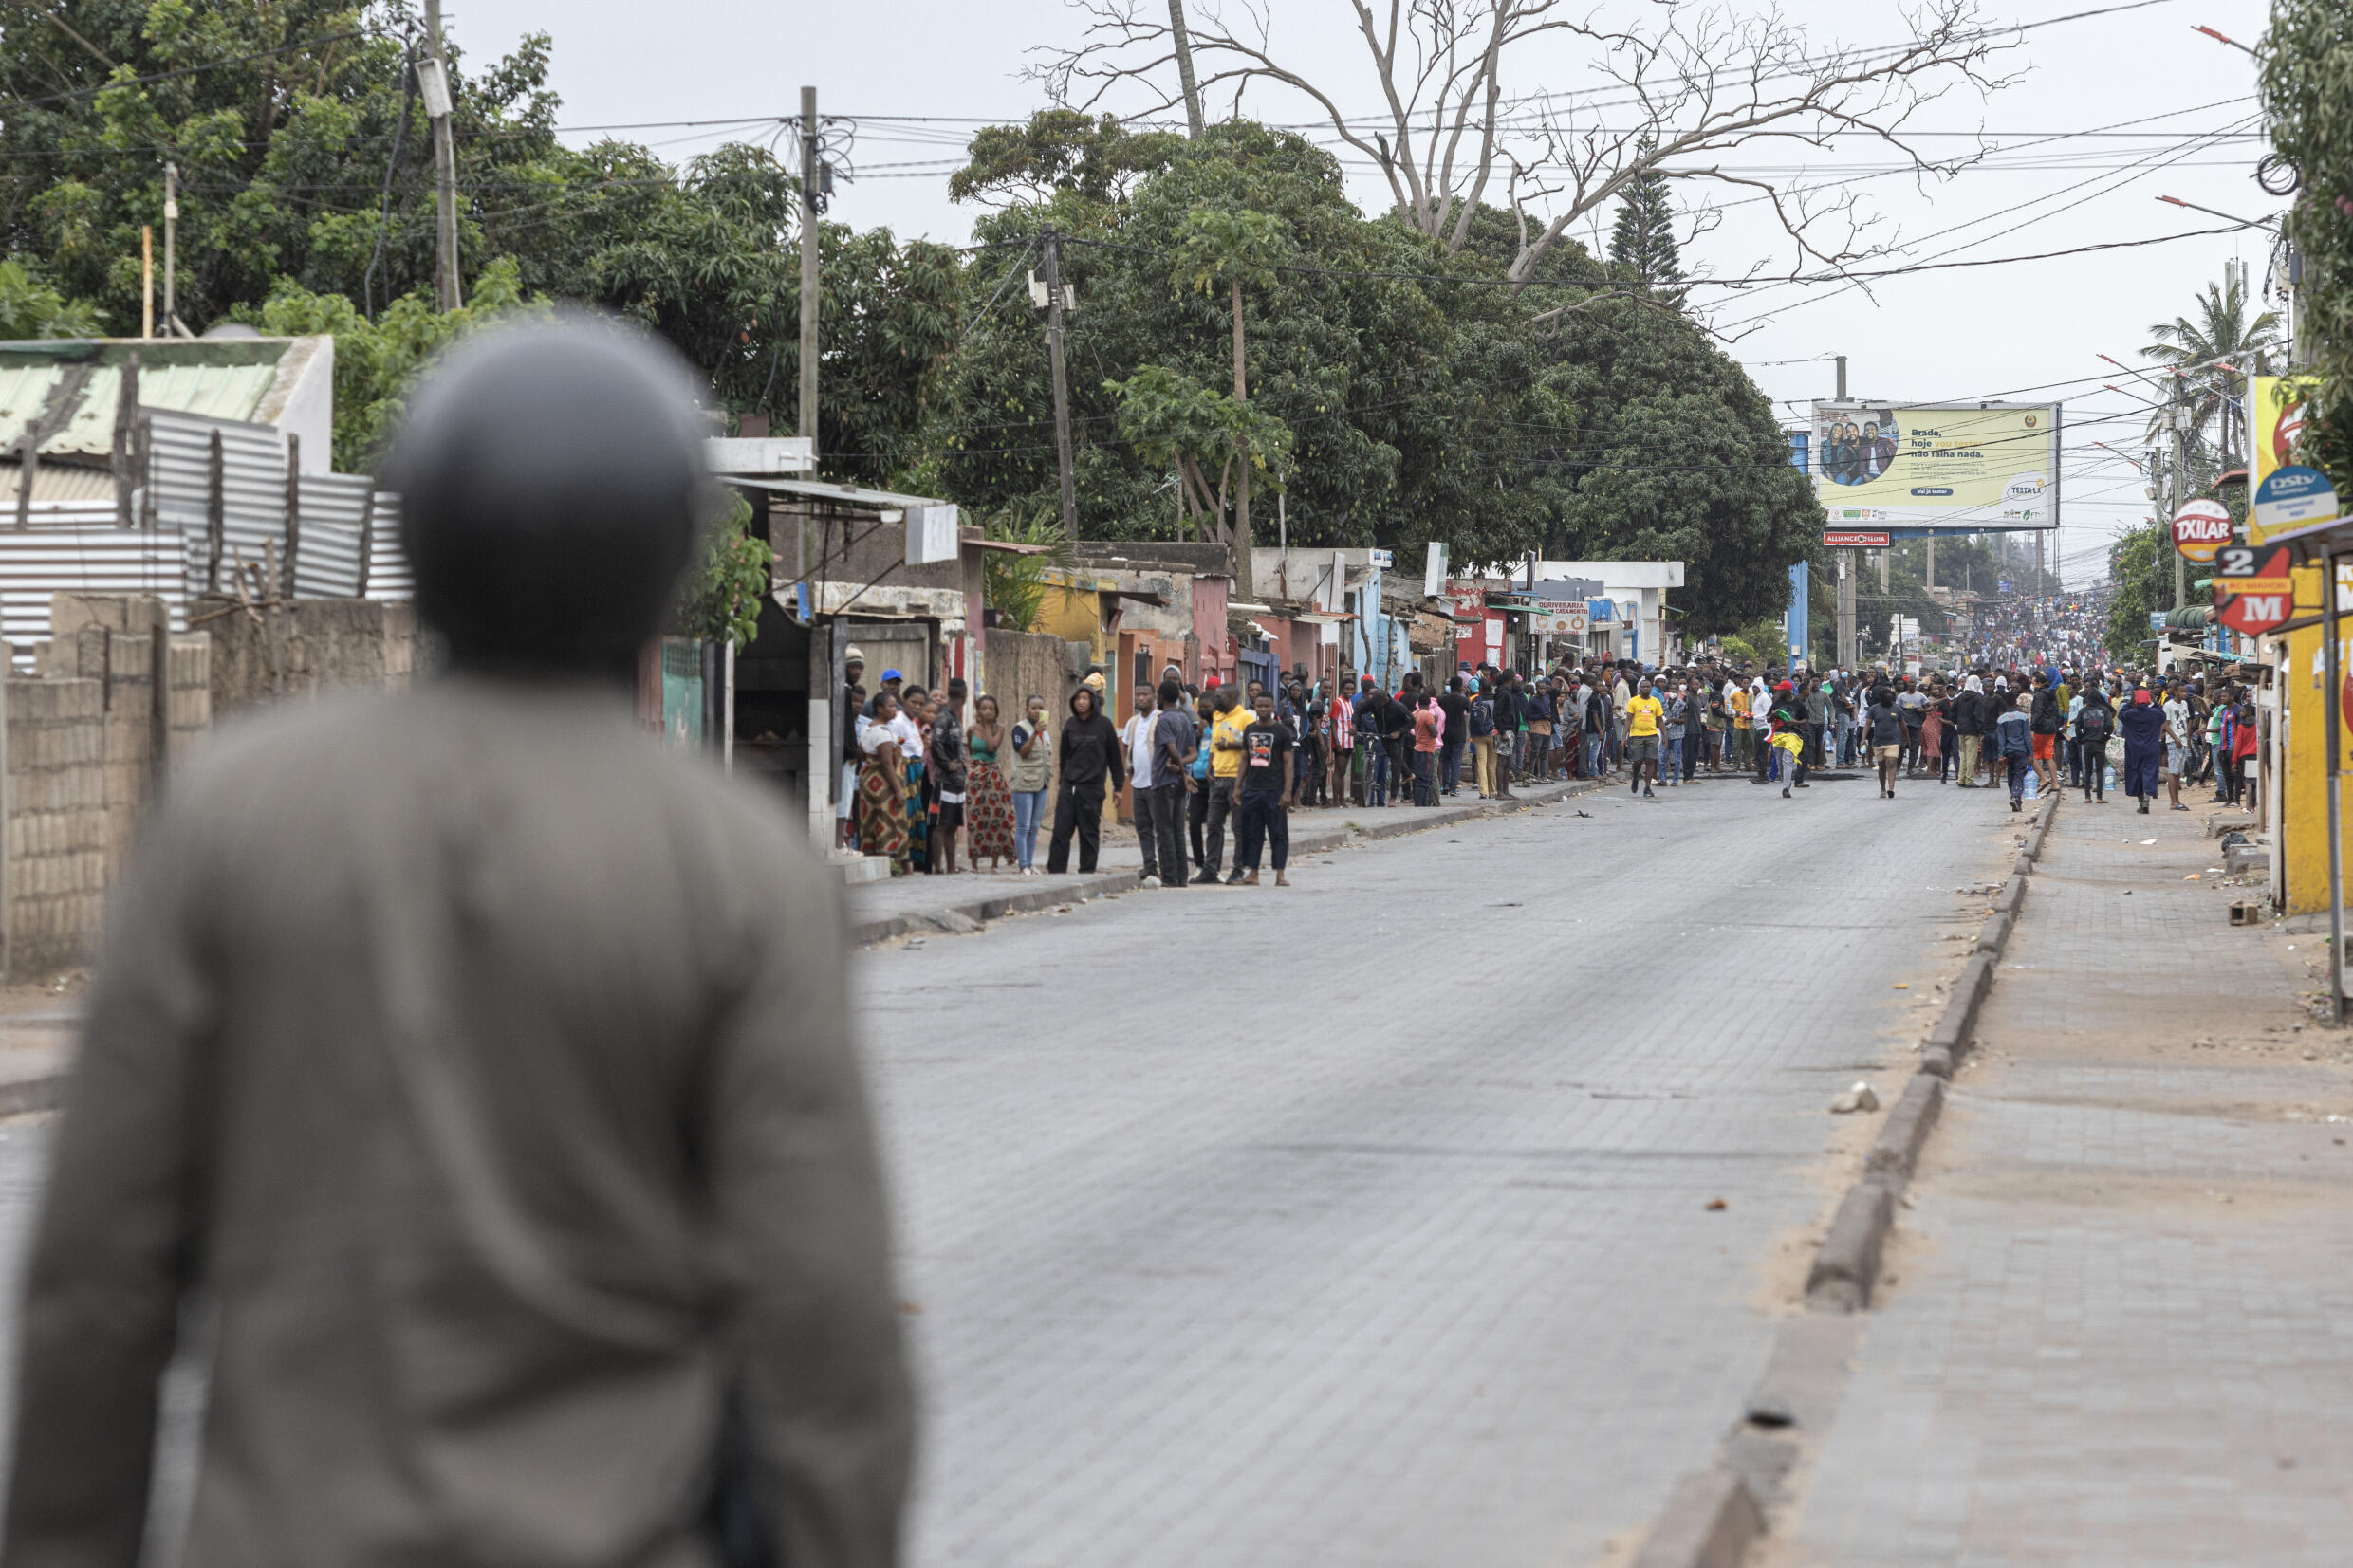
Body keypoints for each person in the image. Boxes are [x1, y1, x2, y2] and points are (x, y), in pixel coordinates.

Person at [0, 324, 915, 1568]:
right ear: (664, 562)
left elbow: (99, 1283)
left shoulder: (235, 815)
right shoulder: (742, 873)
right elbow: (824, 1332)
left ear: (421, 534)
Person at [1047, 685, 1123, 872]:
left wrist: (1118, 787)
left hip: (1092, 788)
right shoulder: (1070, 725)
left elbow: (1114, 757)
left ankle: (1087, 872)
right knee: (1061, 831)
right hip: (1069, 786)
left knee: (1088, 832)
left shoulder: (1104, 725)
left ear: (1092, 701)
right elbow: (1063, 756)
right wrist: (1063, 784)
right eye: (1078, 698)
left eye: (1085, 698)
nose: (1081, 702)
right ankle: (1056, 873)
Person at [1230, 690, 1294, 887]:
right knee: (1252, 832)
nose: (1263, 709)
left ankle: (1280, 874)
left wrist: (1287, 791)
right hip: (1252, 789)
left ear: (1273, 707)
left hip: (1274, 790)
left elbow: (1288, 763)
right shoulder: (1249, 729)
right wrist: (1238, 787)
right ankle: (1253, 873)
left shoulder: (1282, 731)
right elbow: (1244, 759)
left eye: (1267, 706)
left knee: (1278, 833)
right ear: (1255, 707)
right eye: (1260, 706)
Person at [857, 690, 917, 875]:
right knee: (887, 821)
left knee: (870, 822)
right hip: (884, 786)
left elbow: (861, 753)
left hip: (868, 782)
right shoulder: (882, 733)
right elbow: (887, 763)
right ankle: (890, 865)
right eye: (891, 706)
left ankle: (875, 864)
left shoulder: (867, 729)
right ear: (879, 709)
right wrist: (898, 790)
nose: (894, 710)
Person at [1148, 677, 1196, 886]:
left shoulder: (1165, 720)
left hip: (1164, 780)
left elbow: (1172, 749)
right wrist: (1183, 768)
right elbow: (1192, 754)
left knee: (1164, 829)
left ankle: (1169, 876)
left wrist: (1178, 765)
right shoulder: (1185, 719)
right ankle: (1181, 876)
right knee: (1178, 828)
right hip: (1178, 780)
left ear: (1160, 697)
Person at [967, 693, 1015, 873]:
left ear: (996, 712)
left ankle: (994, 864)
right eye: (983, 708)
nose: (987, 711)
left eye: (991, 709)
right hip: (975, 777)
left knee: (995, 818)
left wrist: (987, 726)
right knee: (975, 817)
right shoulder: (971, 730)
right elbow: (969, 751)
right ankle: (974, 864)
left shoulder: (999, 729)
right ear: (978, 711)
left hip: (993, 776)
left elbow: (991, 747)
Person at [1123, 685, 1166, 886]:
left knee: (1160, 826)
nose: (1140, 698)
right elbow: (1125, 745)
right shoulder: (1133, 722)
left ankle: (1166, 866)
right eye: (1138, 694)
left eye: (1145, 695)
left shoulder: (1160, 719)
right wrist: (1128, 766)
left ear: (1154, 697)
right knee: (1142, 827)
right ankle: (1150, 864)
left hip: (1156, 783)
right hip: (1138, 782)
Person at [1206, 684, 1250, 872]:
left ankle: (1238, 868)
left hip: (1237, 780)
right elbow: (1214, 745)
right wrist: (1209, 767)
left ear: (1232, 699)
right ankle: (1211, 868)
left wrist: (1231, 745)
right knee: (1213, 825)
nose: (1215, 700)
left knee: (1239, 827)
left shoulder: (1245, 717)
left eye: (1219, 697)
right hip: (1218, 778)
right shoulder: (1217, 716)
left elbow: (1252, 746)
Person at [927, 677, 969, 875]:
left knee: (952, 824)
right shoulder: (944, 716)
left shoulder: (954, 716)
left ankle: (951, 867)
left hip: (957, 780)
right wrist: (947, 764)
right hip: (944, 779)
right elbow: (935, 742)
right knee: (941, 823)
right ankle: (938, 867)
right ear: (965, 696)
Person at [1009, 693, 1052, 874]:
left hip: (1042, 783)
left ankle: (1030, 863)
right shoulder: (1019, 729)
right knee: (1023, 826)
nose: (1037, 711)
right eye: (1033, 708)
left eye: (1040, 708)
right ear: (1027, 709)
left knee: (1034, 827)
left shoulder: (1046, 732)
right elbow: (1023, 752)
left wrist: (1040, 732)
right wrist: (1035, 732)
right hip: (1024, 784)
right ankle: (1023, 865)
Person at [2119, 686, 2165, 814]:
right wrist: (2154, 701)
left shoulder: (2129, 714)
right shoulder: (2155, 714)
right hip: (2151, 748)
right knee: (2149, 772)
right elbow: (2162, 714)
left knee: (2136, 773)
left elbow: (2120, 714)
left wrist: (2130, 702)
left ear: (2135, 700)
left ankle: (2141, 803)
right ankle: (2146, 800)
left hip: (2133, 749)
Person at [1994, 687, 2034, 811]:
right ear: (2016, 702)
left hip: (2008, 751)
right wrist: (2031, 753)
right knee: (2019, 775)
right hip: (2021, 751)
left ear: (2005, 703)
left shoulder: (2001, 719)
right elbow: (2027, 737)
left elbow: (2001, 739)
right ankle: (2016, 797)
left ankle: (2015, 799)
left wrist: (2000, 755)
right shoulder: (2023, 717)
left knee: (2011, 776)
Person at [1623, 678, 1664, 799]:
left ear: (1651, 688)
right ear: (1640, 688)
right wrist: (1624, 736)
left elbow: (1660, 720)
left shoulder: (1656, 702)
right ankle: (1635, 776)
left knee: (1650, 760)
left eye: (1648, 686)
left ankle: (1647, 788)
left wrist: (1665, 737)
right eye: (1643, 687)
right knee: (1638, 761)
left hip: (1652, 735)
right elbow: (1629, 719)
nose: (1646, 688)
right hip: (1636, 735)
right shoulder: (1633, 701)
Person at [2074, 680, 2113, 804]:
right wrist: (2106, 736)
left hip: (2087, 743)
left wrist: (2081, 738)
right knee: (2099, 770)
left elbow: (2077, 726)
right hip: (2100, 743)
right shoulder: (2104, 710)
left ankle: (2087, 796)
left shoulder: (2083, 711)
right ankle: (2099, 797)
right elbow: (2109, 725)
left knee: (2088, 770)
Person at [1866, 684, 1904, 799]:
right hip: (1878, 742)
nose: (1889, 698)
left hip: (1893, 741)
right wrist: (1863, 739)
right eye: (1886, 696)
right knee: (1882, 767)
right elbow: (1868, 724)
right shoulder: (1874, 708)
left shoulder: (1897, 709)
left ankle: (1891, 789)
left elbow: (1903, 726)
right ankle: (1883, 789)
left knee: (1891, 763)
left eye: (1890, 696)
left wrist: (1907, 739)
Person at [2161, 678, 2194, 811]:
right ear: (2175, 692)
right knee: (2173, 771)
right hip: (2174, 742)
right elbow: (2165, 724)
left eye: (2185, 692)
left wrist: (2187, 737)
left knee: (2178, 772)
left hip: (2183, 741)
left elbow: (2186, 721)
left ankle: (2177, 801)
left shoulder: (2185, 704)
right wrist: (2176, 739)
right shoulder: (2168, 705)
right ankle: (2174, 802)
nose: (2184, 694)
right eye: (2182, 691)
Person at [1438, 675, 1471, 796]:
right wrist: (1467, 695)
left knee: (1445, 760)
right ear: (1460, 687)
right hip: (1459, 734)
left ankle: (1445, 785)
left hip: (1445, 733)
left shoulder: (1442, 699)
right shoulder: (1463, 700)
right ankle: (1453, 788)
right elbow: (1469, 709)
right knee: (1456, 761)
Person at [1952, 674, 1985, 787]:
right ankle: (1969, 780)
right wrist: (1982, 731)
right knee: (1971, 756)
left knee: (1963, 755)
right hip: (1972, 730)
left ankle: (1961, 779)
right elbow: (1978, 716)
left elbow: (1952, 710)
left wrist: (1956, 721)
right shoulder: (1977, 698)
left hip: (1961, 729)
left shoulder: (1960, 697)